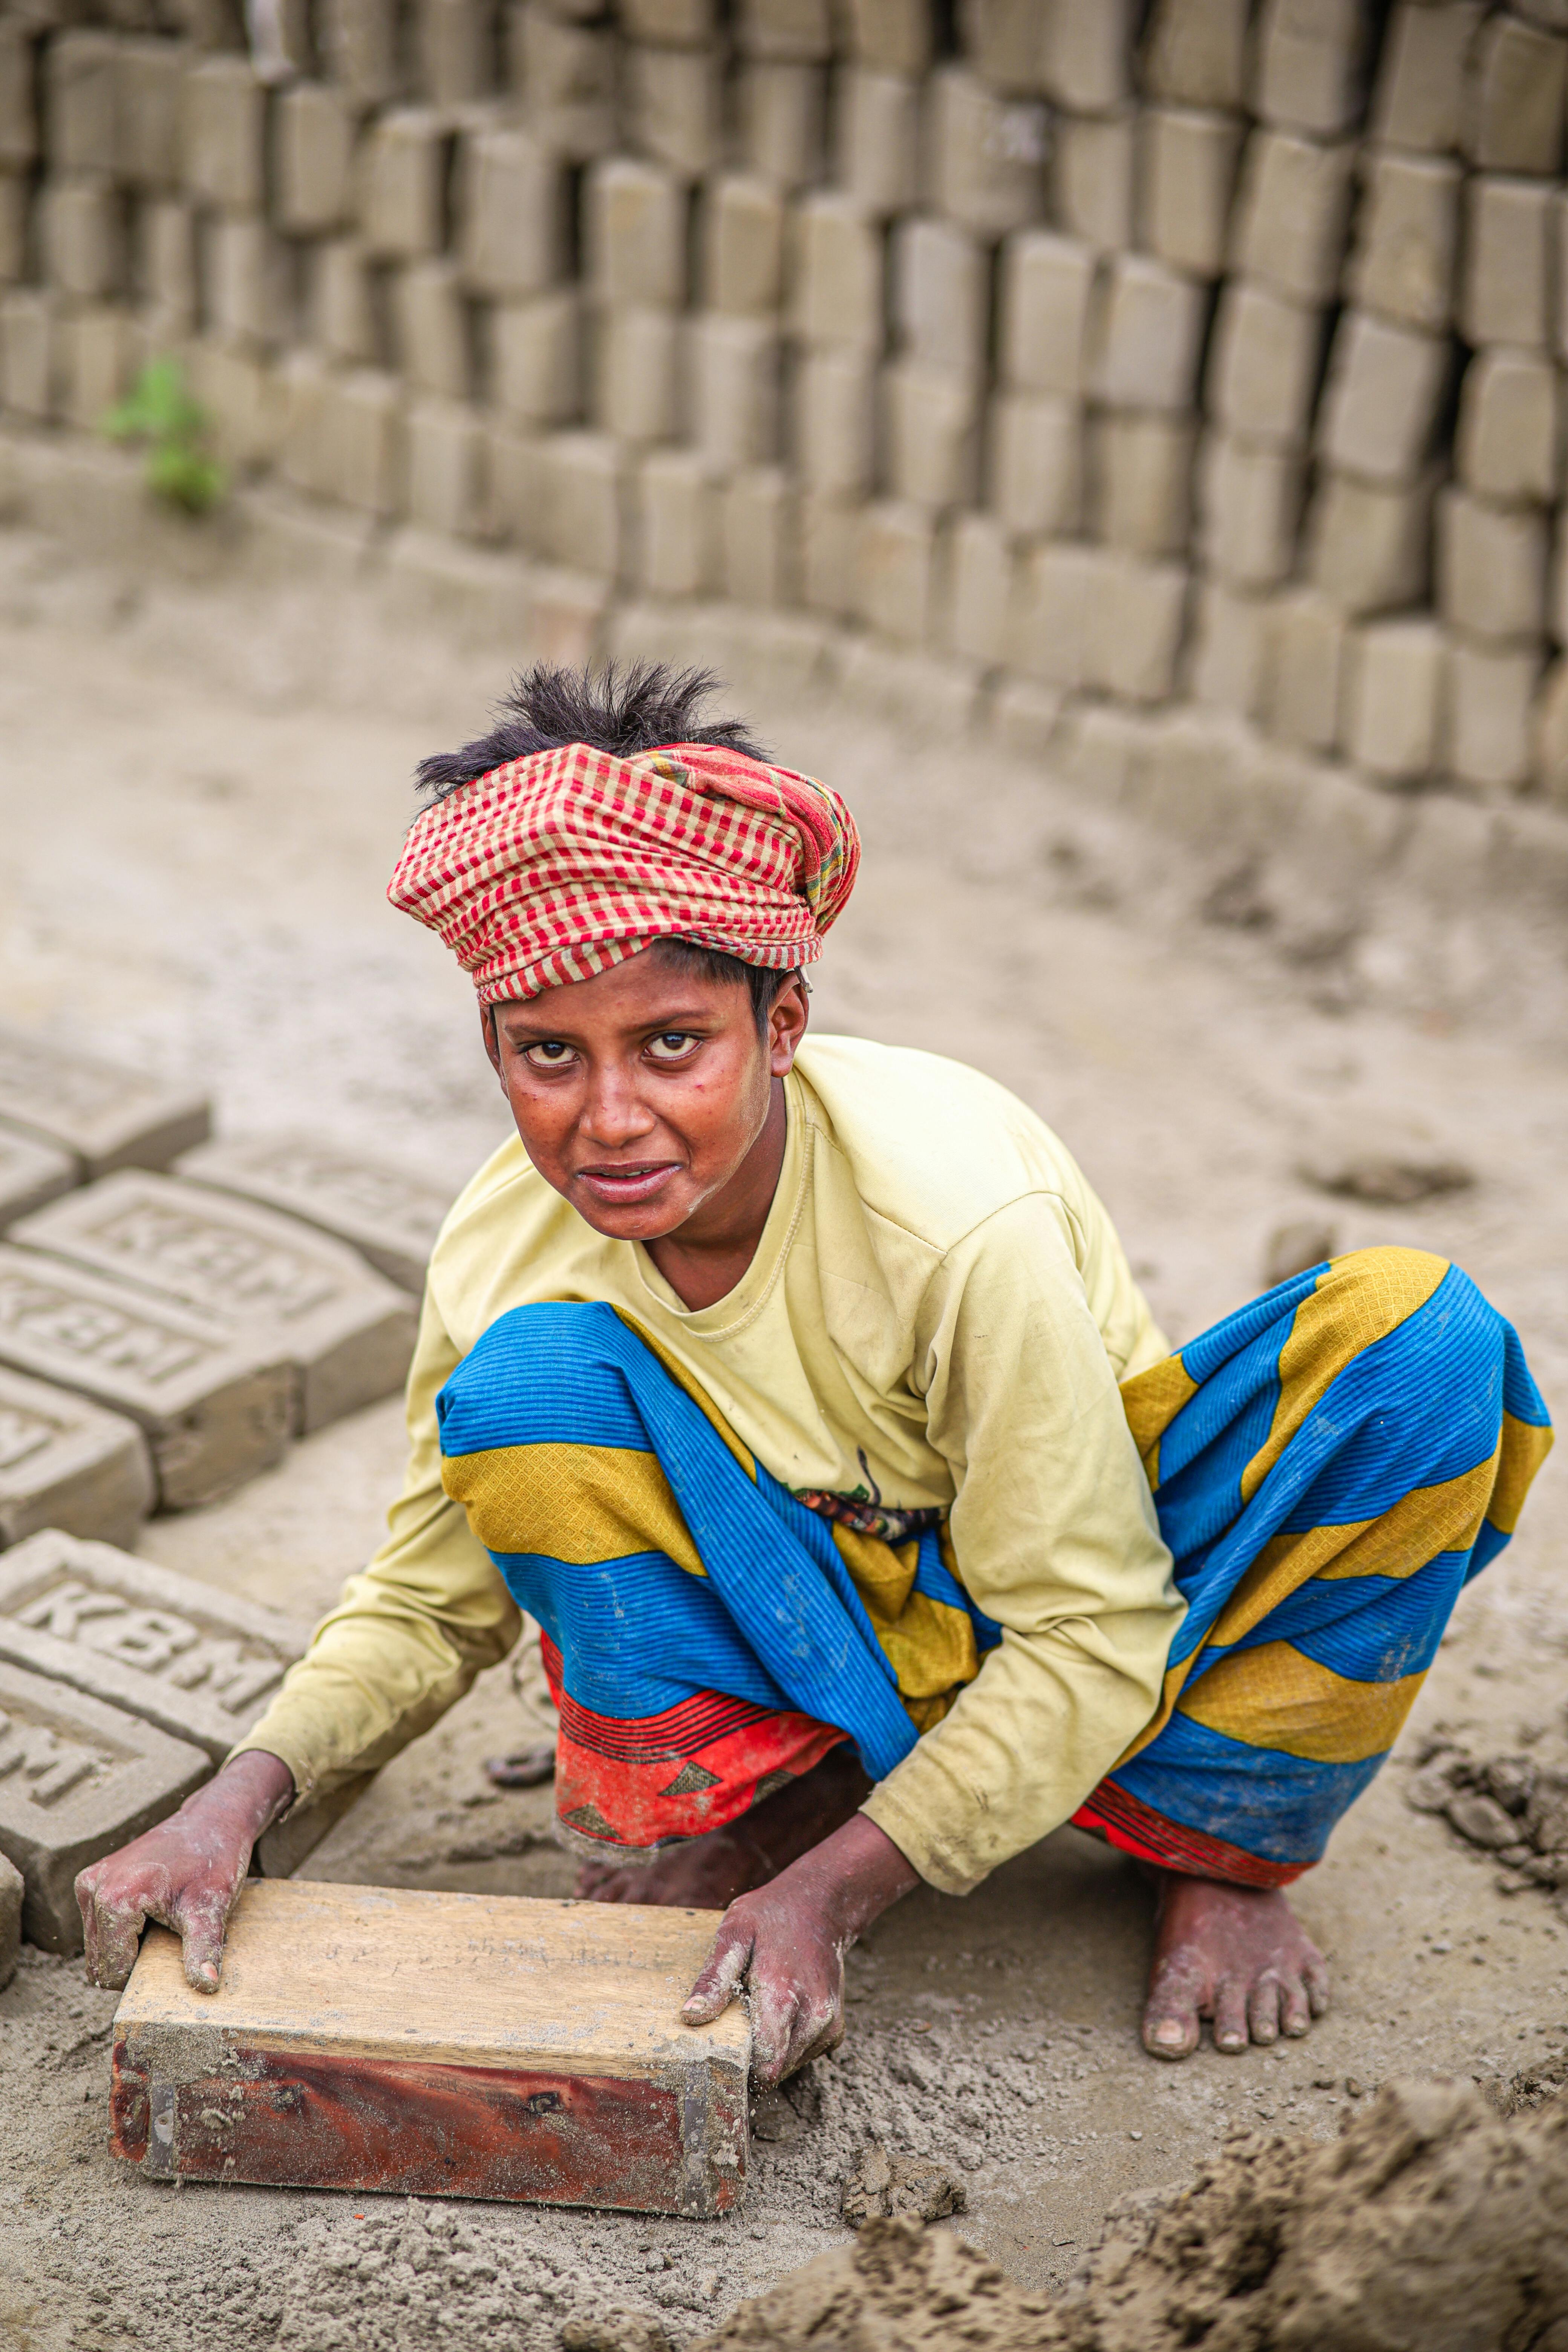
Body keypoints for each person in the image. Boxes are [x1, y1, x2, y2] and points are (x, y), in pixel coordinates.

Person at [77, 665, 1551, 2084]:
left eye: (671, 1046)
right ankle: (737, 1799)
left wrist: (835, 1903)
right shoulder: (505, 1249)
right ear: (490, 1043)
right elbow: (425, 1599)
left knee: (1421, 1343)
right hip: (823, 1617)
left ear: (780, 1027)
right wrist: (237, 1804)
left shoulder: (951, 1217)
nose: (609, 1119)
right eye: (546, 1056)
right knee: (528, 1391)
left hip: (1101, 1592)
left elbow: (1092, 1628)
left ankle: (1218, 1842)